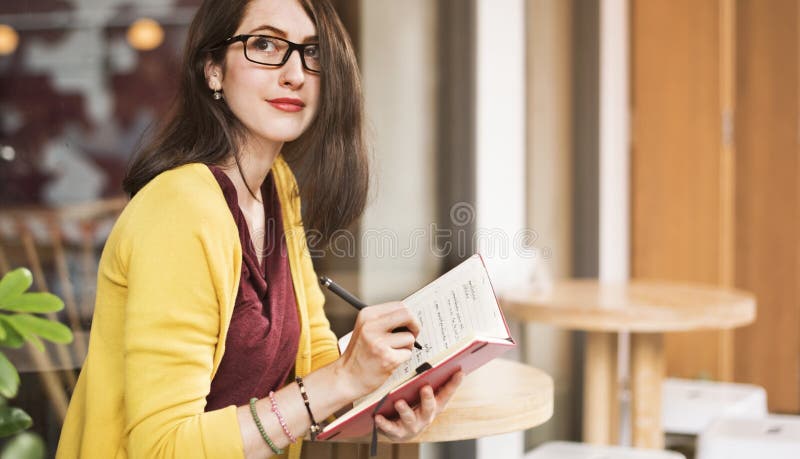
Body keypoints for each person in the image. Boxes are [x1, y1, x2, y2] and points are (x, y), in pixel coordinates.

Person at [55, 0, 463, 457]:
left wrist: (384, 398)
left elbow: (314, 364)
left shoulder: (276, 183)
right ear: (212, 70)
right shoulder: (180, 208)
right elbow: (162, 447)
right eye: (265, 44)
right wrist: (343, 379)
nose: (294, 74)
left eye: (313, 53)